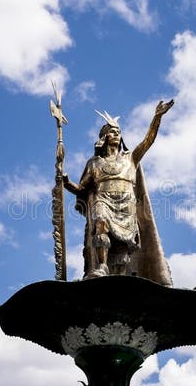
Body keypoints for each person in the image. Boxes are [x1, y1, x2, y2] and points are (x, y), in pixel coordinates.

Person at [63, 100, 174, 284]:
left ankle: (120, 279)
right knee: (100, 222)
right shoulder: (94, 163)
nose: (116, 134)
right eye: (112, 132)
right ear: (104, 137)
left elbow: (148, 141)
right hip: (102, 199)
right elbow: (81, 189)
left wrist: (157, 117)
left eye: (118, 132)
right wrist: (66, 183)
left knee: (122, 245)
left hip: (125, 202)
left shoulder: (130, 158)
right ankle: (101, 266)